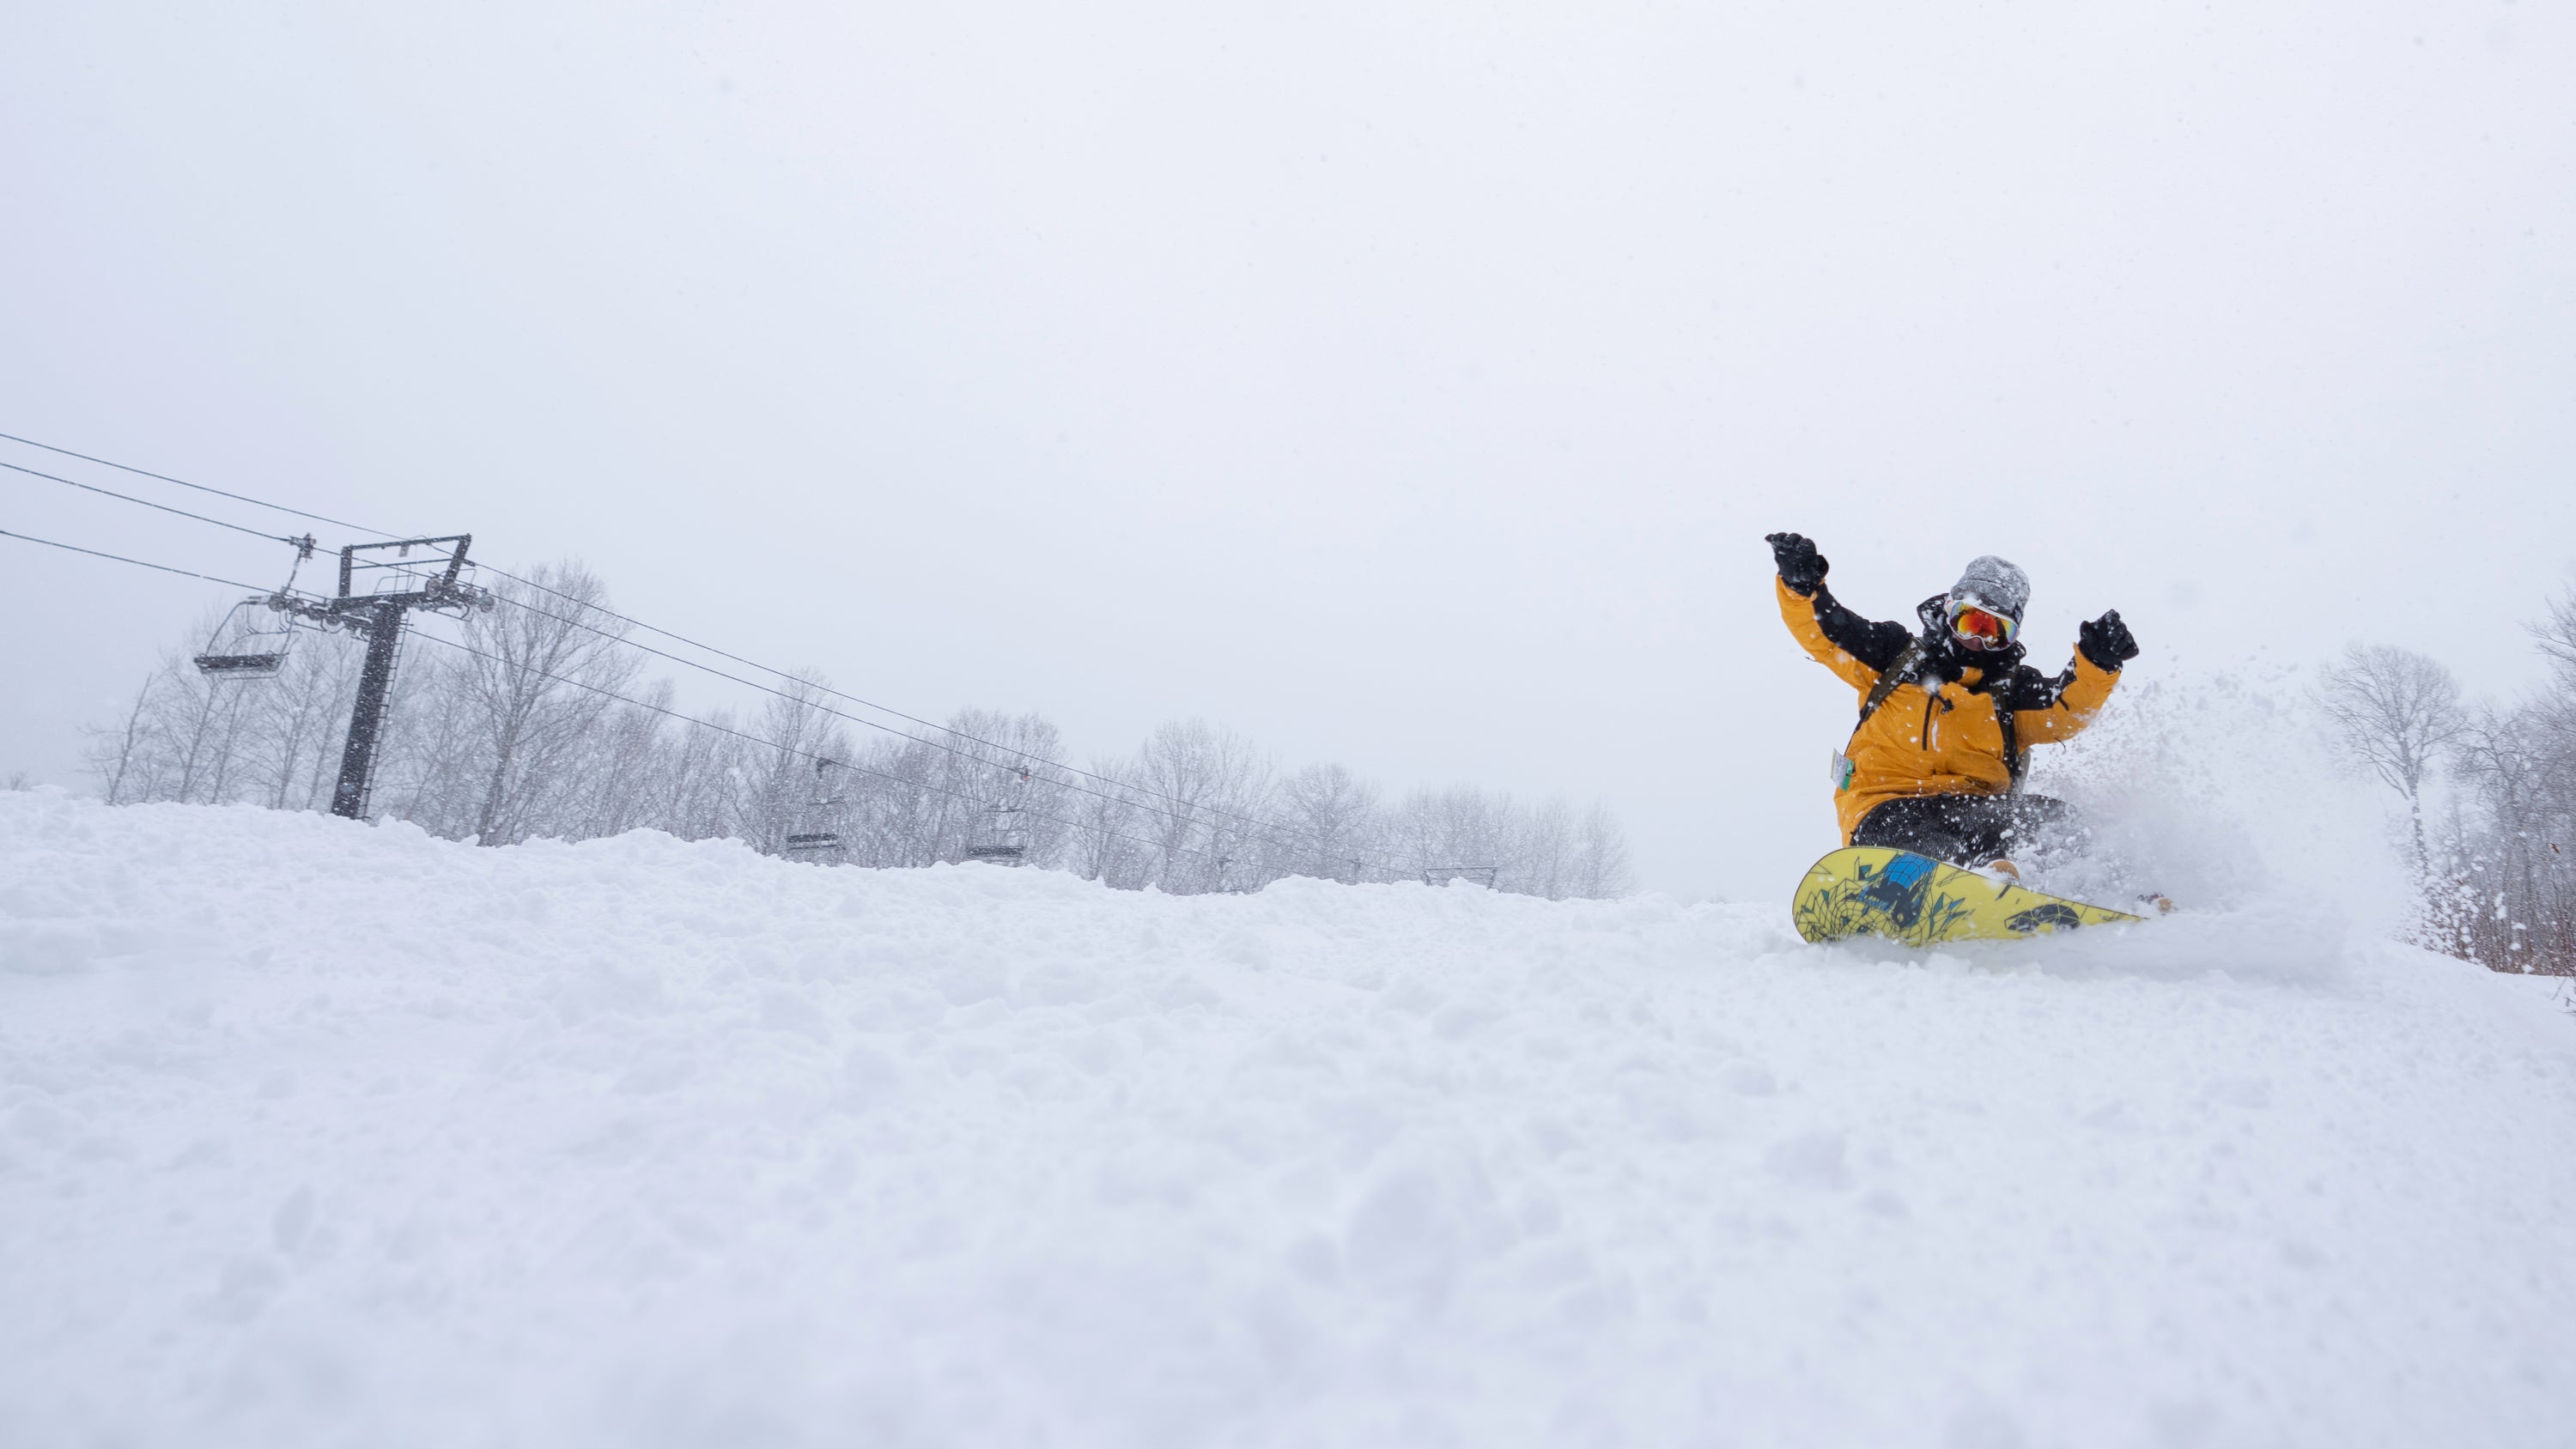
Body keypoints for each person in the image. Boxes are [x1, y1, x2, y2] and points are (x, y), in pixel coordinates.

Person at [1766, 530, 2139, 875]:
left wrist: (2097, 663)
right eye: (1969, 620)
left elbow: (2065, 712)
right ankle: (1976, 880)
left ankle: (2111, 888)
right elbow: (1826, 633)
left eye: (1994, 631)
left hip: (1974, 808)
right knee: (1932, 844)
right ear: (1949, 610)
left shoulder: (2010, 691)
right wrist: (1803, 586)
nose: (1977, 639)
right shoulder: (1895, 657)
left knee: (2057, 822)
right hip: (1884, 806)